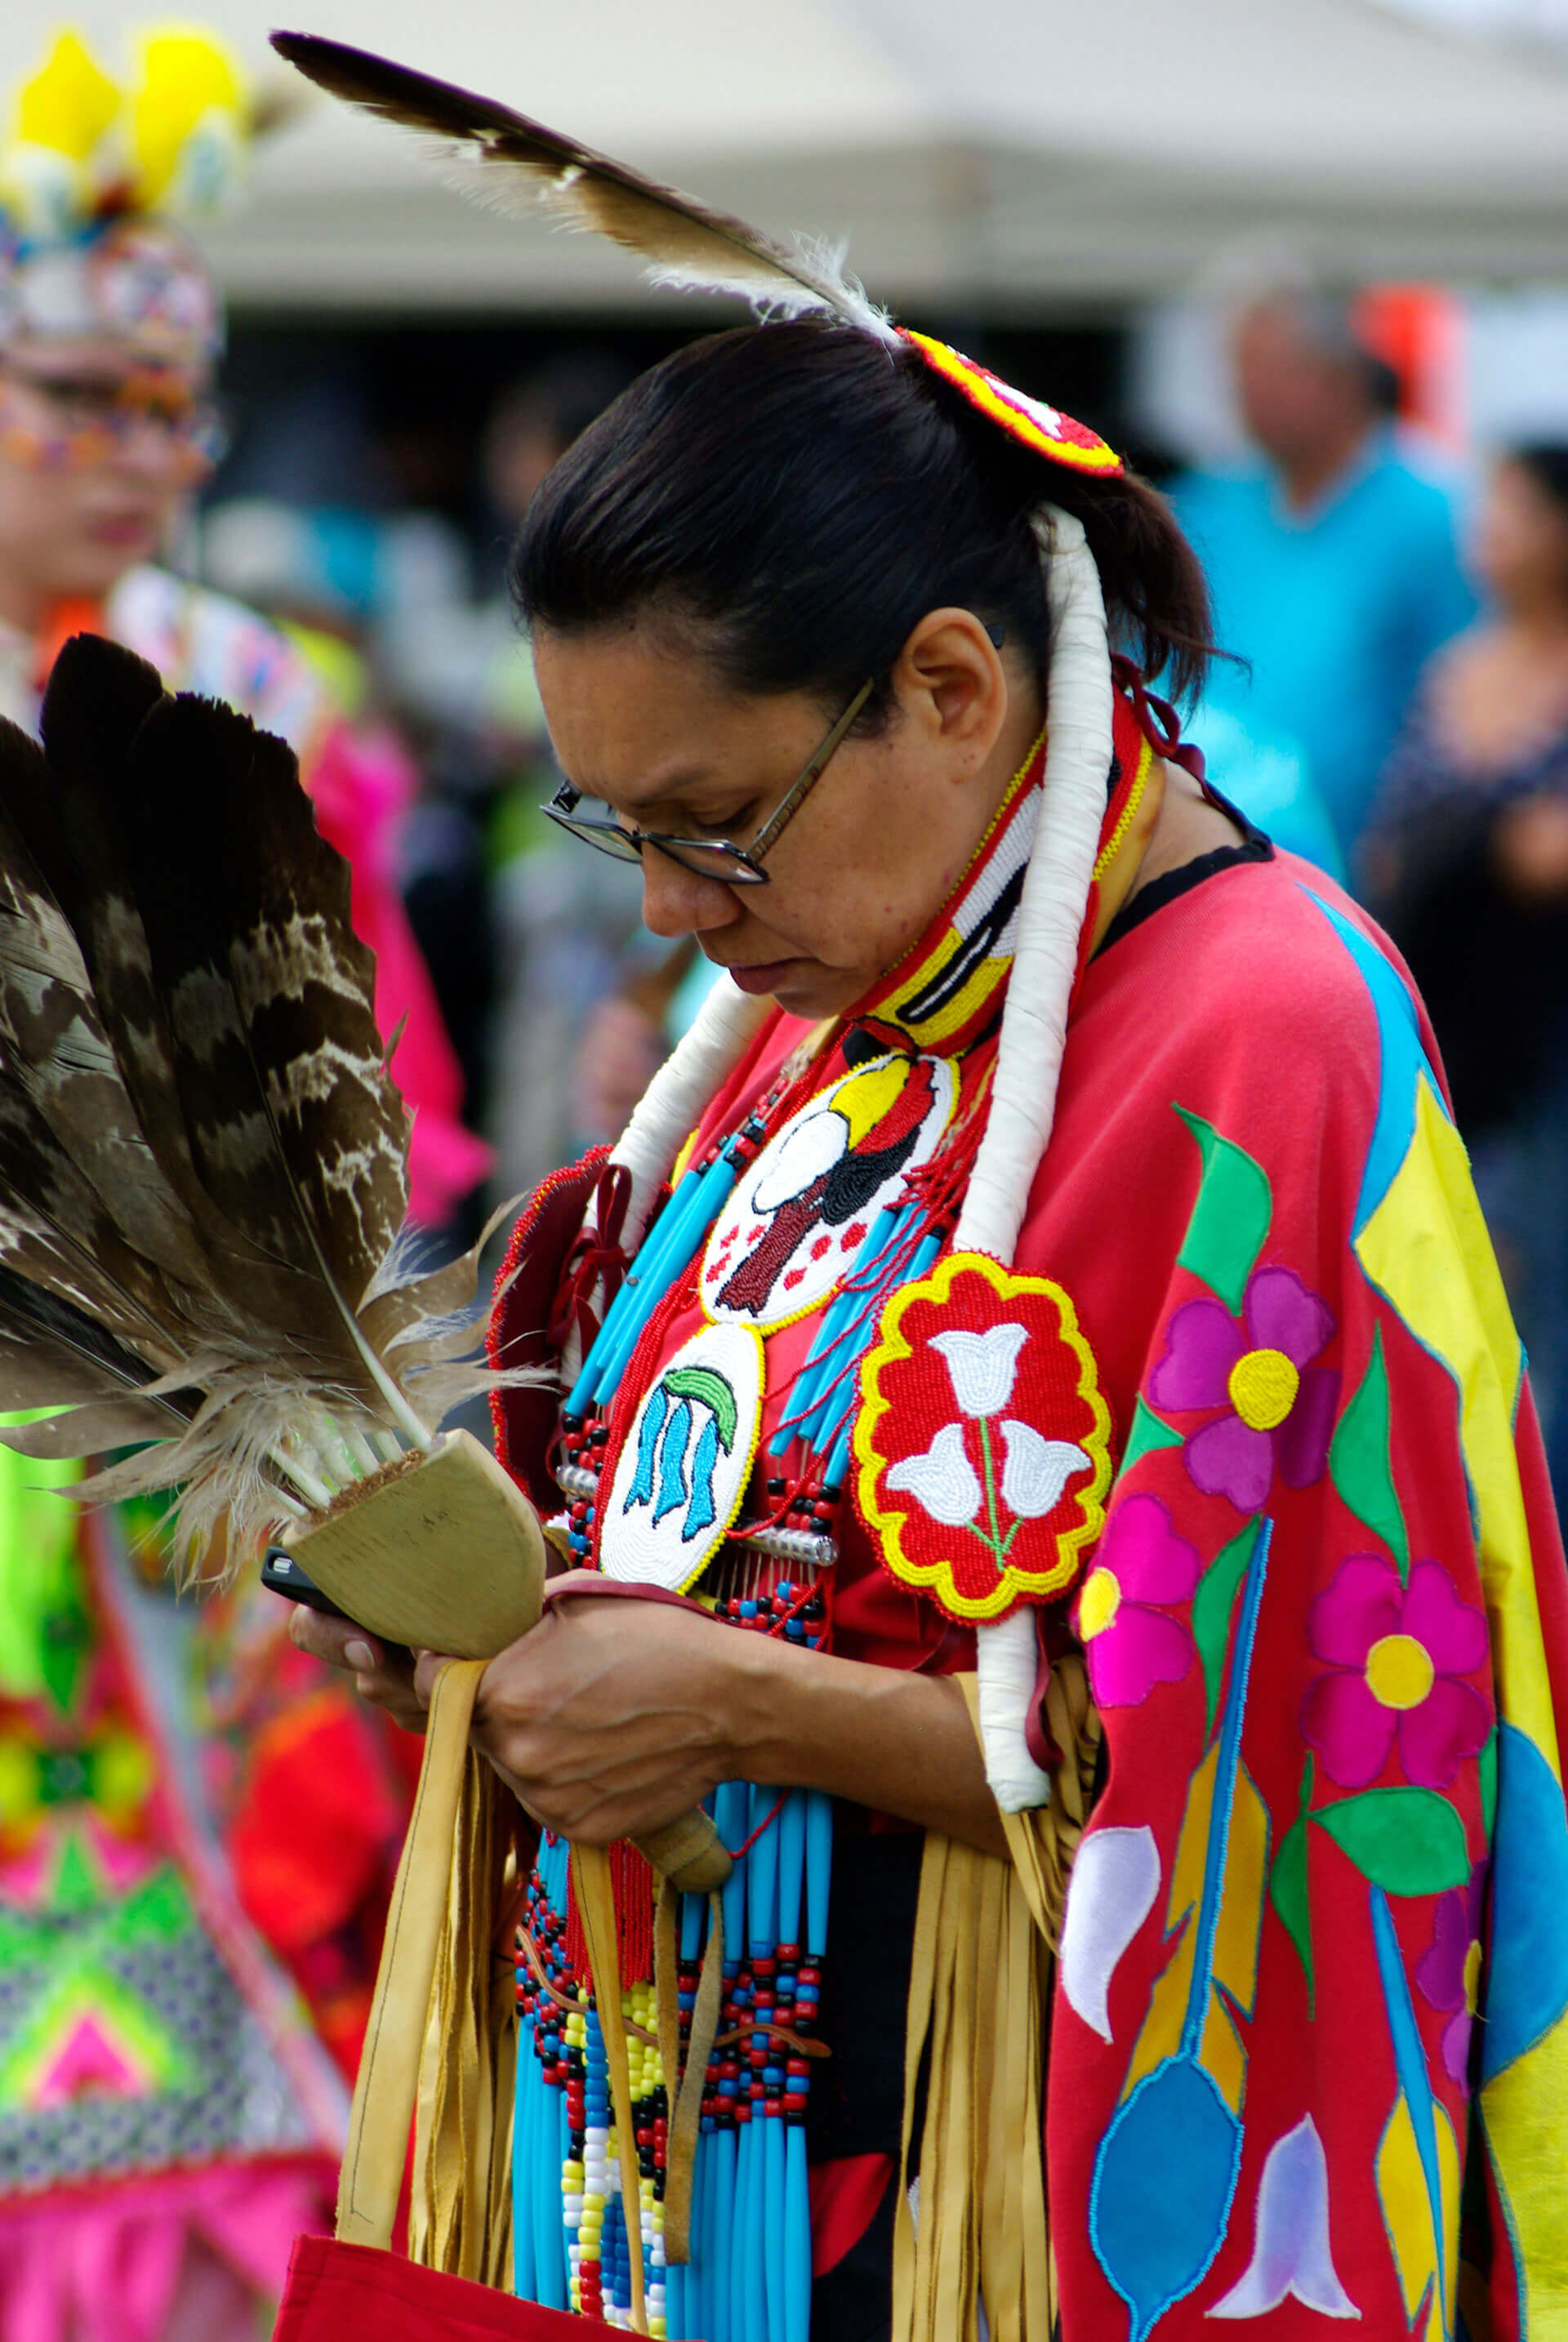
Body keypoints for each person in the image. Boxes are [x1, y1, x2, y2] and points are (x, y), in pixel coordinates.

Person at [287, 309, 1568, 2340]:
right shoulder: (842, 998)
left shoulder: (1260, 1036)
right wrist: (488, 1624)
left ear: (952, 688)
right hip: (659, 2182)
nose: (666, 912)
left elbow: (1295, 1771)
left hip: (978, 2223)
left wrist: (734, 1706)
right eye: (621, 831)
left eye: (706, 822)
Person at [0, 29, 474, 2337]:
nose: (139, 453)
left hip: (219, 1488)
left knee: (236, 2082)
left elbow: (391, 1082)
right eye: (77, 393)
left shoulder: (255, 694)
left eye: (175, 410)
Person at [1363, 443, 1568, 1498]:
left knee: (1545, 1311)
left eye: (1515, 511)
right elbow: (1394, 845)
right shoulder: (1459, 669)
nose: (1489, 533)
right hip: (1451, 1032)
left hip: (1546, 1045)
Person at [1170, 287, 1473, 860]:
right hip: (1206, 856)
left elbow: (1464, 695)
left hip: (1367, 870)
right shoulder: (1207, 509)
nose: (1245, 391)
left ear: (1341, 377)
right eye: (1238, 369)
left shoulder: (1434, 517)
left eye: (1269, 368)